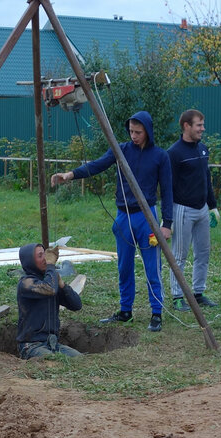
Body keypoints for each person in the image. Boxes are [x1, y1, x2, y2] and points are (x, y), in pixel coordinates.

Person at [50, 110, 172, 332]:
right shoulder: (121, 150)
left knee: (151, 267)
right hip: (123, 216)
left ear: (148, 131)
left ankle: (156, 312)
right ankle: (126, 311)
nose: (133, 136)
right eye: (131, 131)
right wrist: (70, 175)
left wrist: (167, 224)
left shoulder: (160, 156)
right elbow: (97, 164)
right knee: (124, 266)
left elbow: (168, 191)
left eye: (138, 132)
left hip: (148, 218)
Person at [167, 109, 219, 311]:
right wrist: (168, 220)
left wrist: (212, 206)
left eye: (203, 125)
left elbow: (206, 179)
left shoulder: (202, 149)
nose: (202, 129)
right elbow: (168, 186)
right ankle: (177, 296)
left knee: (203, 253)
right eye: (199, 125)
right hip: (183, 210)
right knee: (179, 255)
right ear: (186, 126)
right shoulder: (174, 153)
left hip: (202, 210)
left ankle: (198, 293)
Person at [16, 243, 83, 359]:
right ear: (30, 261)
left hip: (53, 345)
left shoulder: (50, 282)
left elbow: (76, 305)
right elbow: (49, 289)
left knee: (80, 359)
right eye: (40, 256)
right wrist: (51, 266)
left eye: (45, 255)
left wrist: (63, 286)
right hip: (32, 346)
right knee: (52, 361)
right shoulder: (25, 283)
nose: (46, 259)